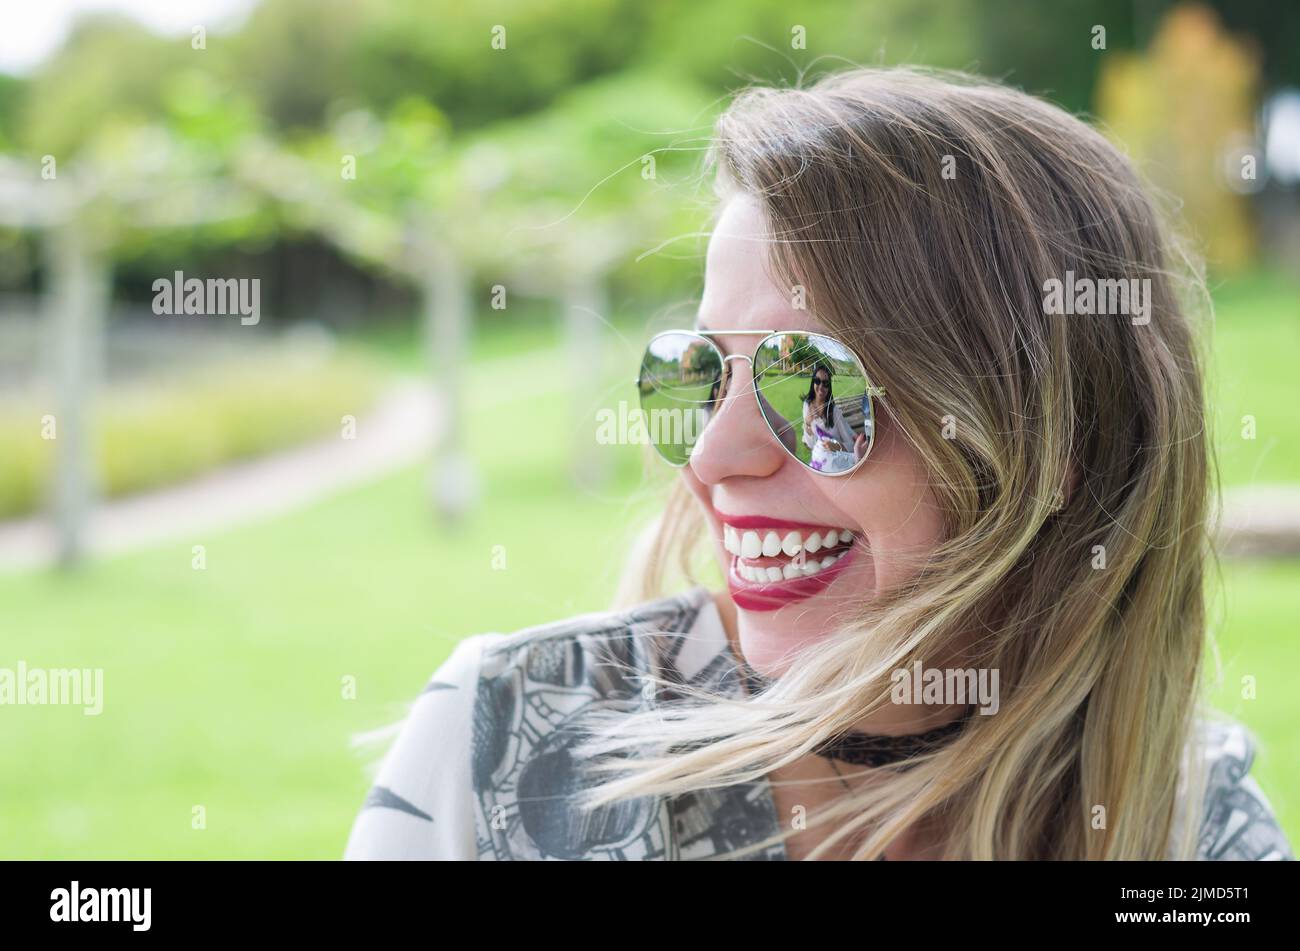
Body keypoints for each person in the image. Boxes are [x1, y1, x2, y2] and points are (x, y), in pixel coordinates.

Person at [344, 67, 1293, 861]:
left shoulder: (1192, 832)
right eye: (701, 372)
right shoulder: (504, 739)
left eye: (817, 385)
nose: (713, 458)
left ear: (1057, 449)